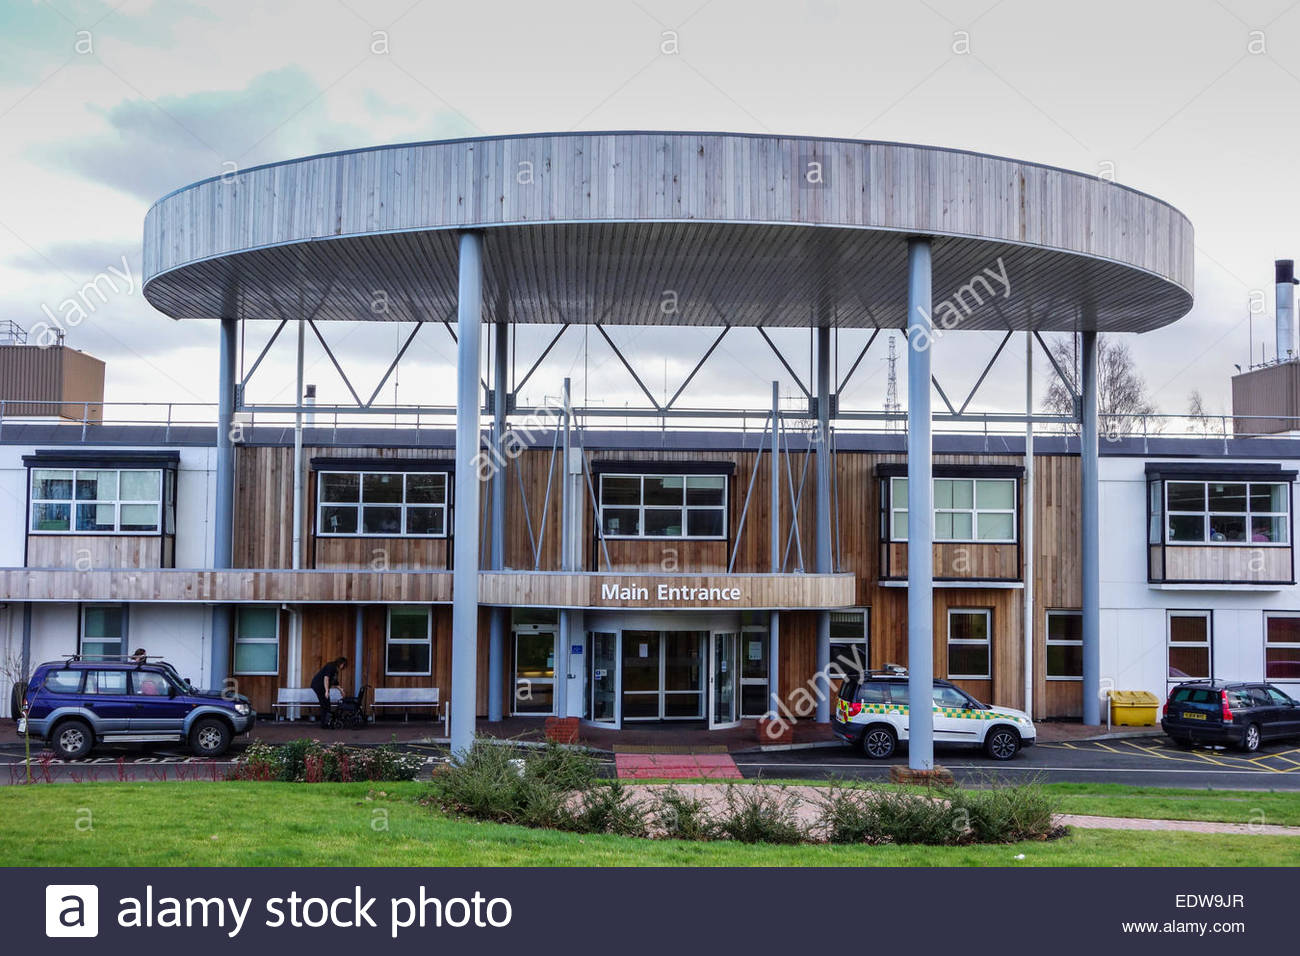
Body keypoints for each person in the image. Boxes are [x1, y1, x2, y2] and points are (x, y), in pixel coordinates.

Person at [310, 657, 348, 726]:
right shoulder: (330, 666)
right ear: (341, 663)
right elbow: (326, 678)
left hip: (323, 687)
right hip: (318, 685)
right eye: (343, 665)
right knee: (325, 704)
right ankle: (324, 724)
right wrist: (327, 691)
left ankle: (326, 722)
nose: (343, 667)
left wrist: (341, 690)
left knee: (327, 704)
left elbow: (335, 682)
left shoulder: (335, 670)